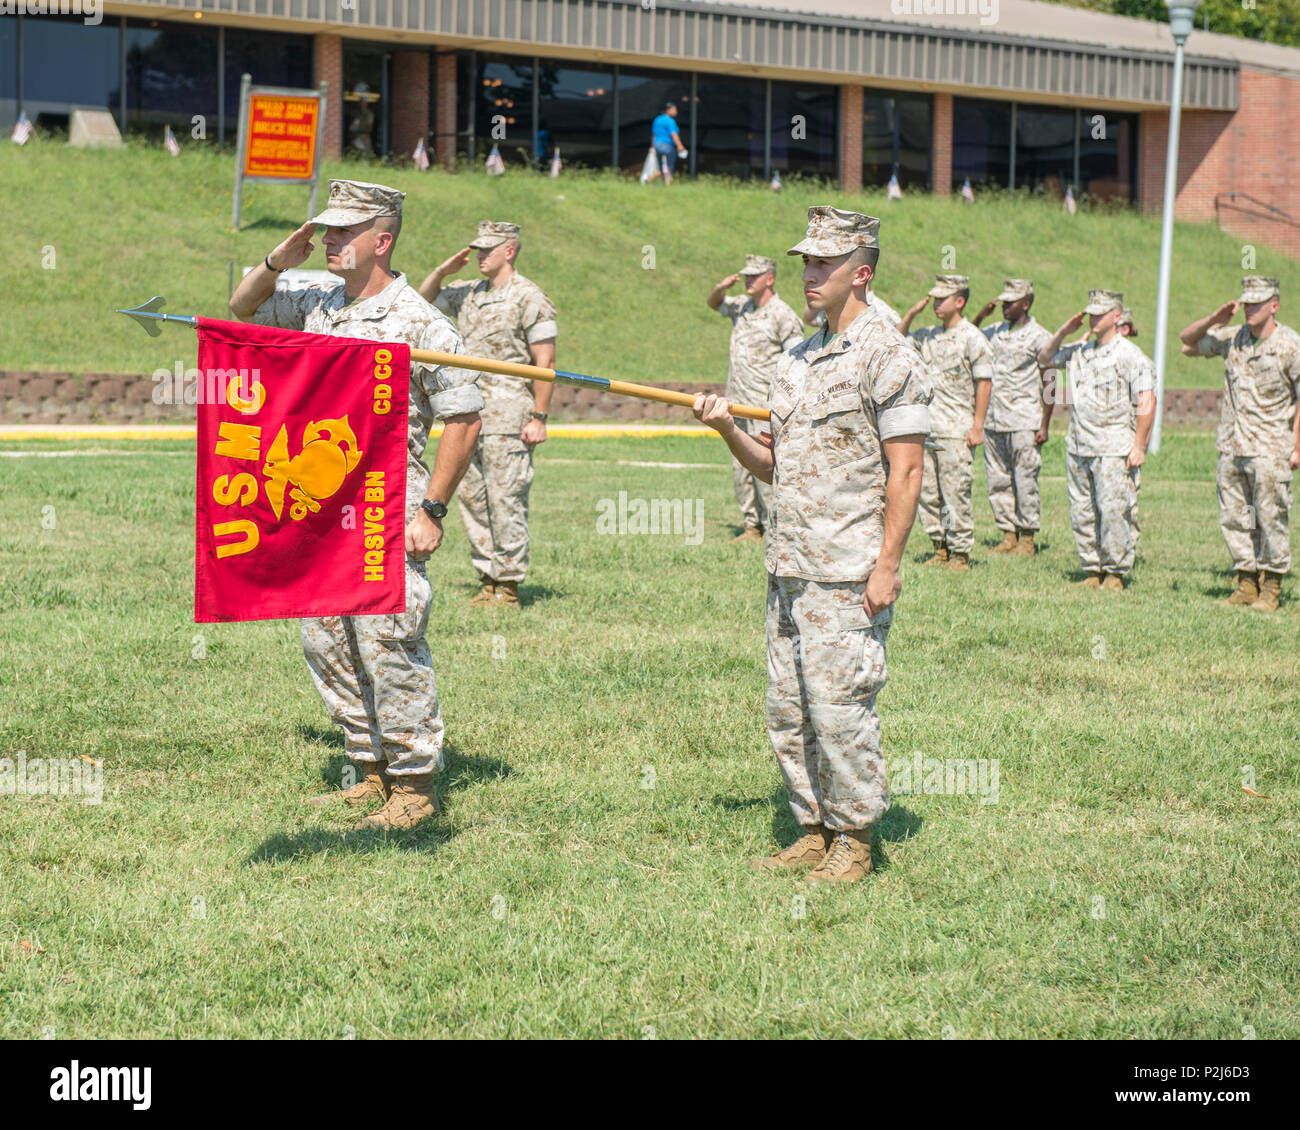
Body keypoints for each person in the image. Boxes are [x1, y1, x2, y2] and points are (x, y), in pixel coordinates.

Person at [228, 179, 483, 830]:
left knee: (388, 643)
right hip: (318, 510)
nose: (331, 239)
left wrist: (433, 510)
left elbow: (463, 416)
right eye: (327, 229)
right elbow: (241, 308)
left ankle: (415, 787)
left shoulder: (420, 322)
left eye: (344, 231)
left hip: (385, 508)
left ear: (383, 239)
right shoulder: (313, 298)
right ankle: (367, 770)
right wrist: (279, 259)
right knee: (327, 642)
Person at [693, 206, 931, 884]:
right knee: (788, 705)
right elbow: (774, 463)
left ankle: (854, 837)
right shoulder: (794, 357)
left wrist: (888, 565)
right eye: (804, 261)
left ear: (860, 273)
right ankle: (813, 825)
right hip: (790, 563)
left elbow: (907, 467)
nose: (808, 273)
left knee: (841, 706)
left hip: (847, 569)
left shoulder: (889, 353)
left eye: (822, 263)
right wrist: (724, 431)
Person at [419, 221, 558, 608]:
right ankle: (487, 579)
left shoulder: (529, 297)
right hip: (467, 414)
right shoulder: (467, 294)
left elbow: (545, 361)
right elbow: (422, 302)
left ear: (509, 251)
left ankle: (509, 584)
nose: (480, 256)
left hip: (509, 415)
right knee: (472, 498)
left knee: (506, 499)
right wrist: (441, 273)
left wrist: (539, 417)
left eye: (488, 250)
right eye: (477, 249)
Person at [1180, 277, 1300, 611]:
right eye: (1246, 302)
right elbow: (1186, 343)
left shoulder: (1290, 345)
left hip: (1270, 448)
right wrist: (1214, 320)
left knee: (1270, 516)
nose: (1249, 308)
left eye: (1256, 303)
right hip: (1233, 447)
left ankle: (1271, 587)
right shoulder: (1233, 338)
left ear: (1274, 306)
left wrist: (1297, 445)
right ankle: (1247, 582)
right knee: (1237, 517)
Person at [1038, 289, 1155, 591]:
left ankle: (1114, 573)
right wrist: (1065, 330)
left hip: (1114, 448)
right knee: (1082, 510)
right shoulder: (1080, 351)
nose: (1092, 317)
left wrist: (1140, 445)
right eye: (1090, 312)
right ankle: (1092, 568)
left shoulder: (1129, 355)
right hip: (1079, 445)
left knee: (1114, 510)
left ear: (1116, 316)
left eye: (1099, 313)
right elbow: (1044, 357)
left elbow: (1146, 400)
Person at [706, 254, 805, 542]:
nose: (748, 280)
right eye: (746, 275)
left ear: (770, 278)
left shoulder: (783, 315)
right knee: (740, 467)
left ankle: (774, 528)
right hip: (736, 401)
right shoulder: (741, 307)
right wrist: (720, 286)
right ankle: (751, 526)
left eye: (754, 276)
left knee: (765, 466)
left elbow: (797, 361)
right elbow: (714, 303)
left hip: (764, 406)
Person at [899, 275, 994, 571]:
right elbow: (896, 340)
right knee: (928, 493)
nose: (936, 303)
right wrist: (912, 313)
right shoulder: (927, 335)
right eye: (934, 298)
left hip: (957, 430)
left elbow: (984, 383)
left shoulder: (972, 337)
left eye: (942, 298)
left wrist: (978, 426)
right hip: (927, 428)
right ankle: (939, 547)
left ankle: (960, 552)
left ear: (960, 301)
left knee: (955, 493)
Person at [971, 279, 1053, 556]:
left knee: (1025, 479)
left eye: (1011, 302)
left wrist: (1045, 423)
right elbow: (967, 335)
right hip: (995, 418)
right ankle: (1008, 534)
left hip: (1024, 419)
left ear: (1026, 304)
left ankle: (1027, 538)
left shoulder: (1040, 337)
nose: (1005, 306)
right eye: (1003, 301)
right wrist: (982, 314)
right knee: (998, 479)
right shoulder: (995, 332)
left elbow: (1051, 380)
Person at [649, 102, 688, 185]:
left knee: (661, 168)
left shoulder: (657, 119)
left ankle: (648, 180)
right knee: (669, 166)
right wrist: (679, 145)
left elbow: (653, 135)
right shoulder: (670, 121)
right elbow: (674, 134)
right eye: (674, 110)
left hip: (657, 145)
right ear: (668, 110)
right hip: (667, 146)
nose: (676, 112)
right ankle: (668, 184)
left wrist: (652, 146)